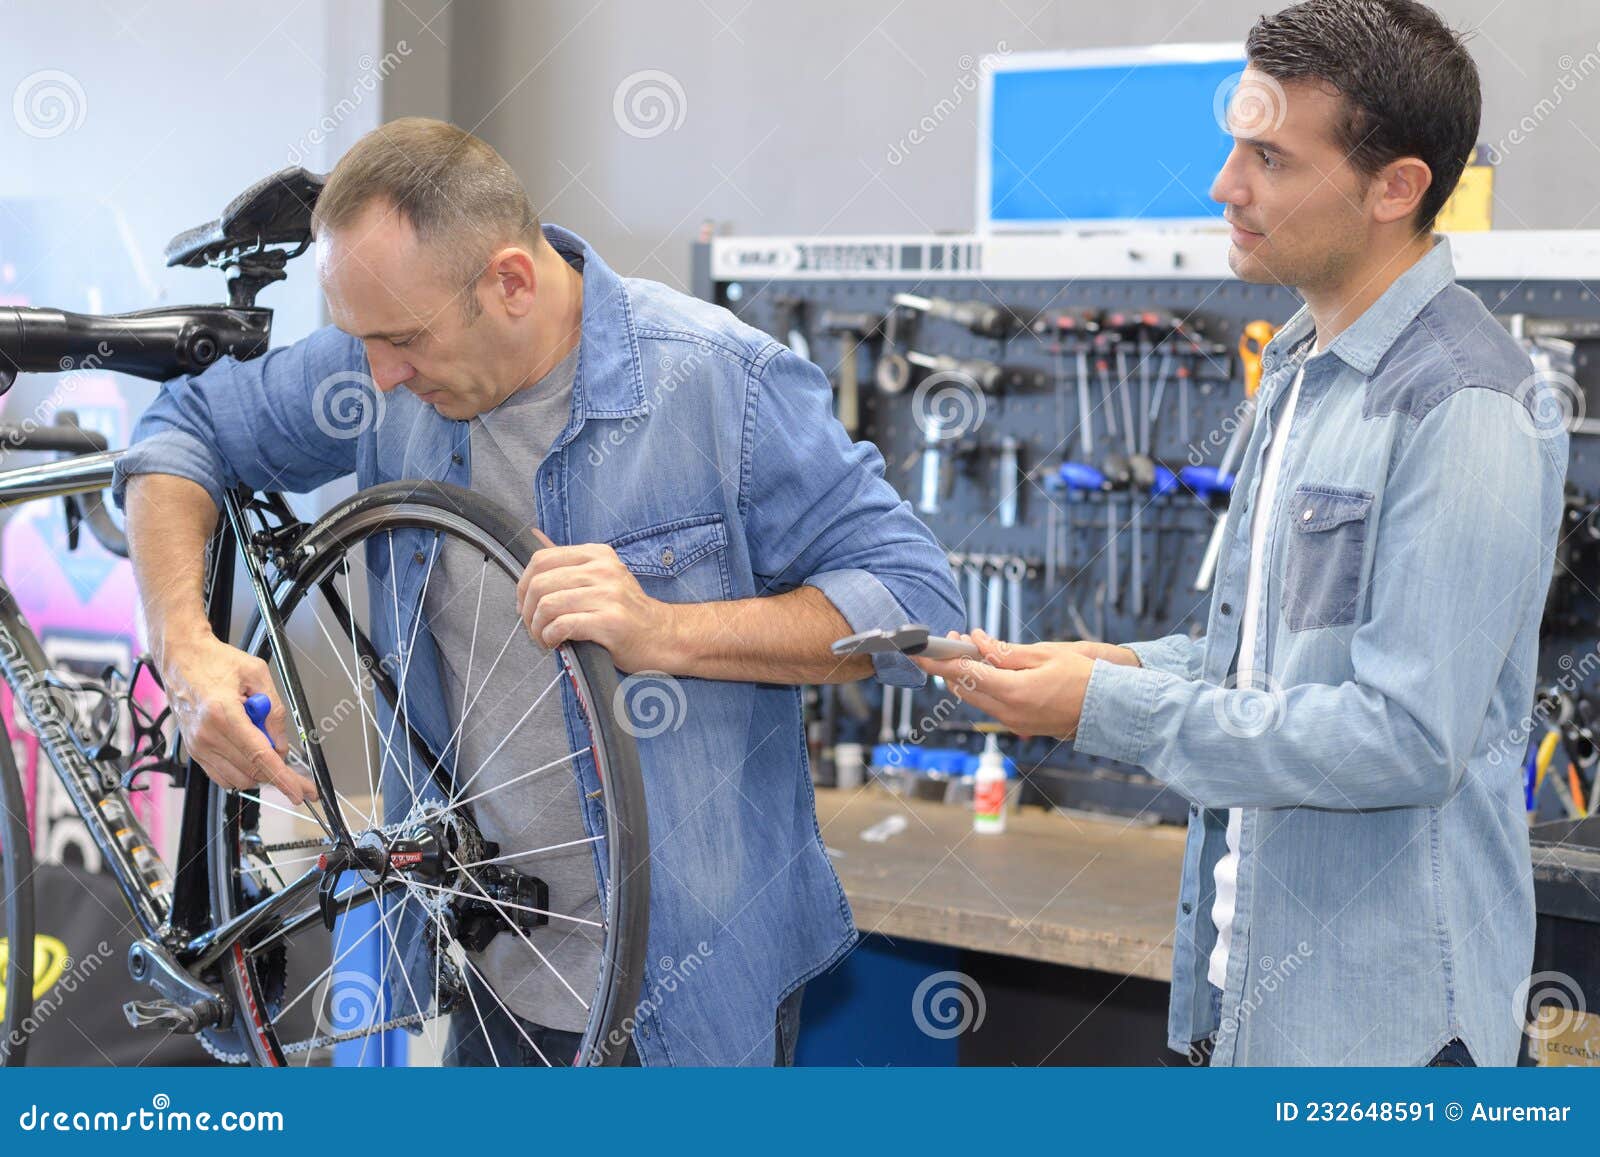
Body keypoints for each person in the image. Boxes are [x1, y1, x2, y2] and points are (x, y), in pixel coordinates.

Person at [114, 117, 964, 1066]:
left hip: (693, 1000)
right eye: (364, 342)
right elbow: (181, 429)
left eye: (402, 339)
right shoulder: (382, 371)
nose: (381, 376)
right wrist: (181, 642)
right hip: (496, 979)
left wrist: (663, 631)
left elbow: (917, 597)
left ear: (510, 281)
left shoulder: (721, 383)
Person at [916, 0, 1563, 1066]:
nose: (1225, 185)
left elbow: (1403, 735)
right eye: (1233, 146)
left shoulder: (1463, 405)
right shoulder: (1303, 367)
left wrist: (1109, 709)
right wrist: (1108, 660)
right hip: (1243, 1005)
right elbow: (1270, 660)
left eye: (1268, 155)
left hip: (1385, 1044)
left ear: (1394, 187)